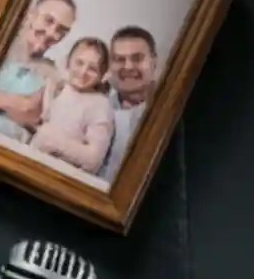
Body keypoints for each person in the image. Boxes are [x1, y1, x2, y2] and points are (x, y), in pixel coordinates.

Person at [0, 0, 77, 139]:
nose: (51, 33)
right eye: (48, 21)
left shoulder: (51, 73)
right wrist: (18, 103)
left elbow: (37, 120)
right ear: (31, 14)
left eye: (61, 30)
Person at [29, 37, 115, 174]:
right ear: (68, 62)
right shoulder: (59, 88)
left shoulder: (100, 106)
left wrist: (53, 141)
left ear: (102, 75)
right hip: (31, 160)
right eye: (79, 63)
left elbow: (93, 160)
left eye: (92, 69)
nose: (83, 72)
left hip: (59, 174)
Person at [96, 26, 158, 181]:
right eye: (119, 59)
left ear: (154, 62)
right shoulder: (97, 106)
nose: (128, 66)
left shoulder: (169, 111)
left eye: (137, 58)